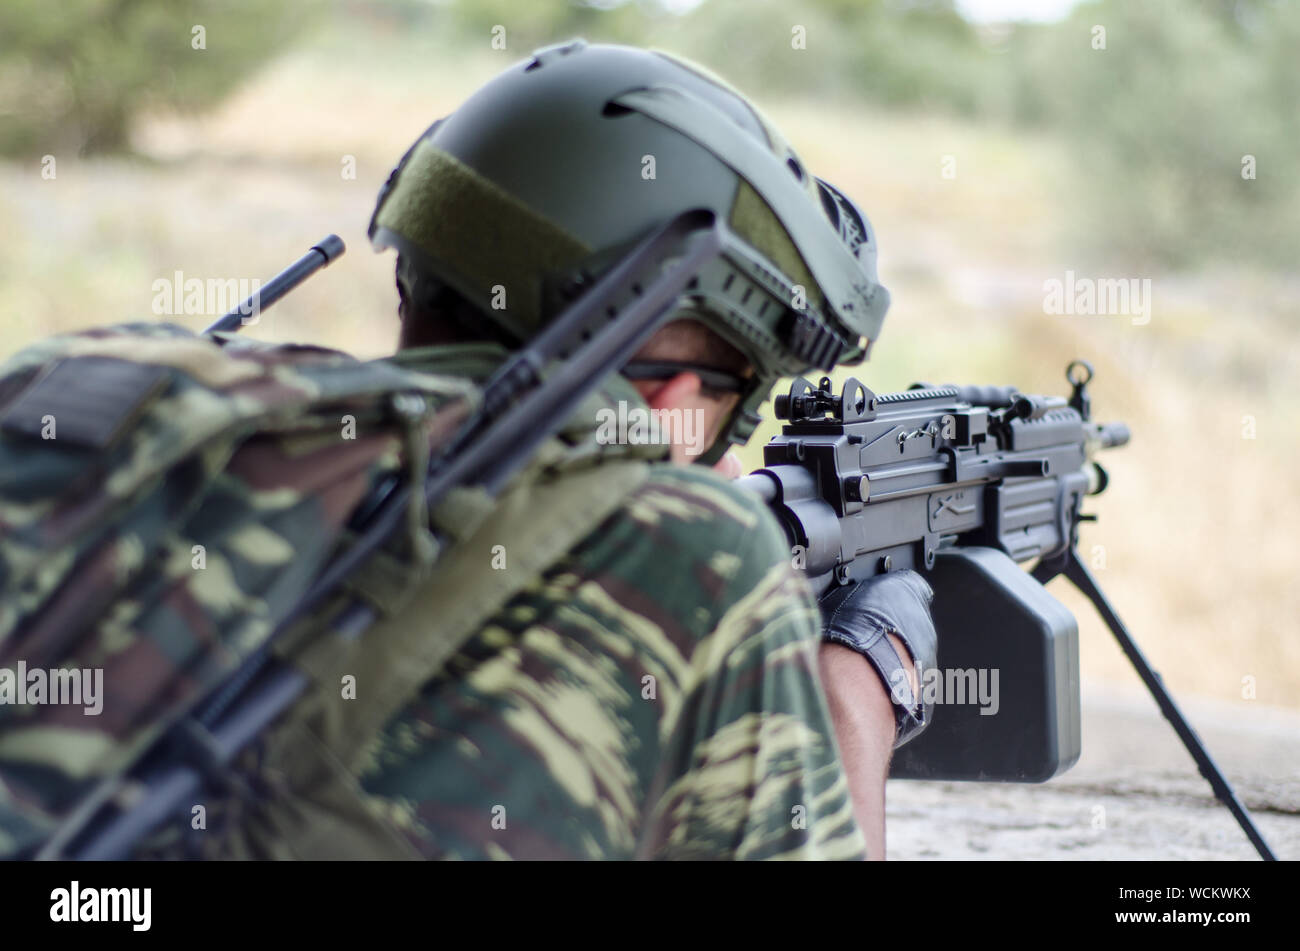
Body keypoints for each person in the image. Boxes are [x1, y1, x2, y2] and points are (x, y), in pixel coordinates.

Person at [337, 40, 939, 860]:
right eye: (736, 400)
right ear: (670, 398)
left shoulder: (234, 439)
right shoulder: (701, 567)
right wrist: (857, 687)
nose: (729, 451)